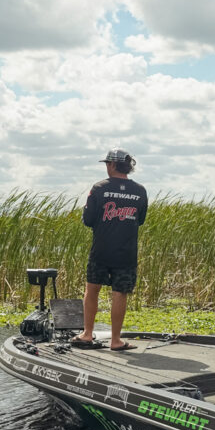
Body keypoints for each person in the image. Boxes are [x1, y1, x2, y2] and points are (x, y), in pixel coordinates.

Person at [71, 148, 149, 352]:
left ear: (113, 165)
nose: (106, 167)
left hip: (101, 250)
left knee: (92, 289)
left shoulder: (98, 188)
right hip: (126, 252)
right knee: (120, 293)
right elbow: (140, 220)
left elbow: (88, 221)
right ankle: (116, 340)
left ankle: (87, 334)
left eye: (107, 163)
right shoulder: (140, 191)